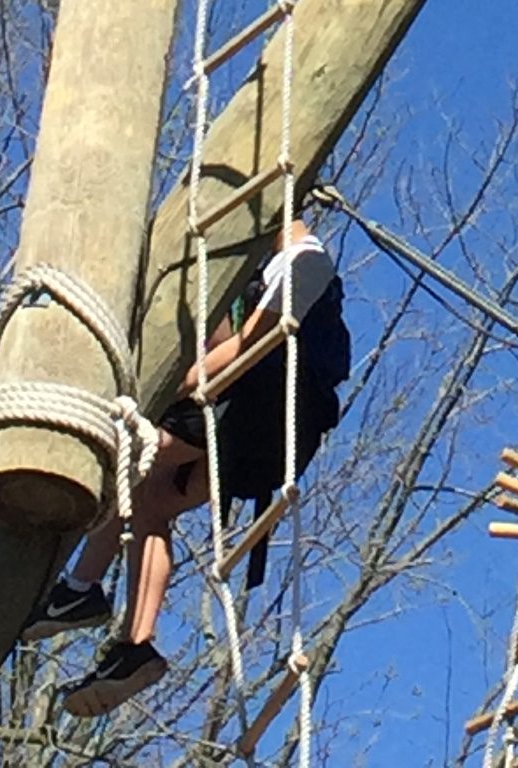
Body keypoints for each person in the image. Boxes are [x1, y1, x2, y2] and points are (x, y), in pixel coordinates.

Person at [25, 211, 352, 717]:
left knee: (128, 456)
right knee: (151, 503)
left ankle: (77, 590)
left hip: (258, 412)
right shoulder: (261, 278)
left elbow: (246, 346)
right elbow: (232, 340)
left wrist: (175, 387)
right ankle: (134, 643)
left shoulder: (289, 267)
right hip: (261, 428)